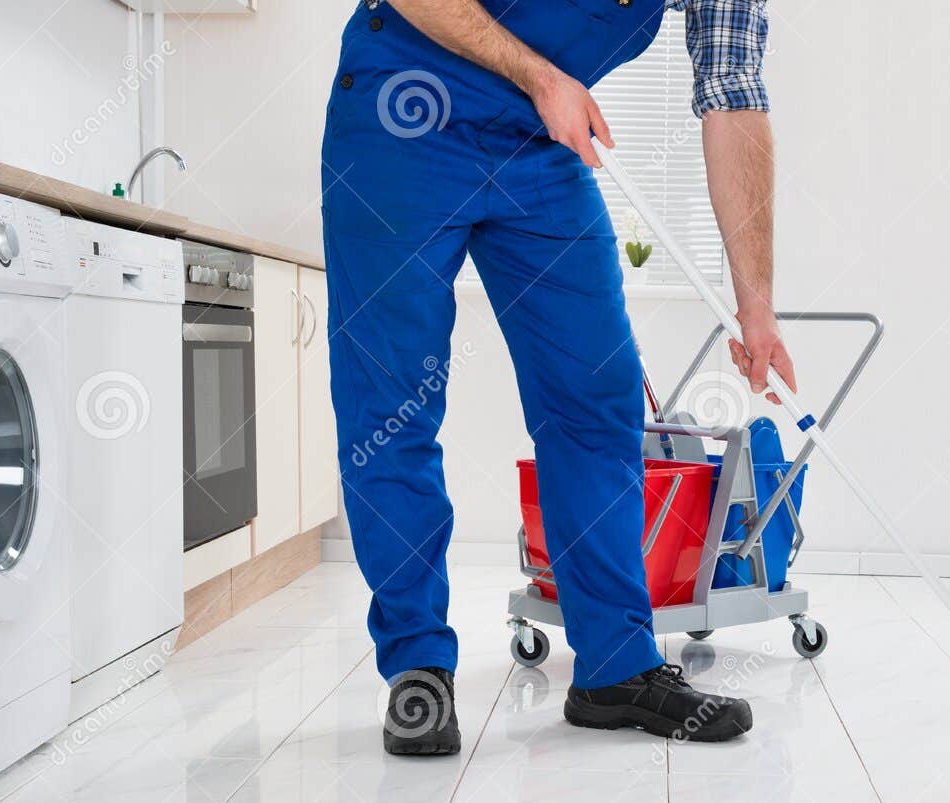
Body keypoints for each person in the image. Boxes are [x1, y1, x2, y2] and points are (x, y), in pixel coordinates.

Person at [323, 0, 797, 756]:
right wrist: (540, 74)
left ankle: (616, 668)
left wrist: (757, 306)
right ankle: (417, 664)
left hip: (537, 151)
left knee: (596, 399)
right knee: (390, 404)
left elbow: (733, 97)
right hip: (400, 118)